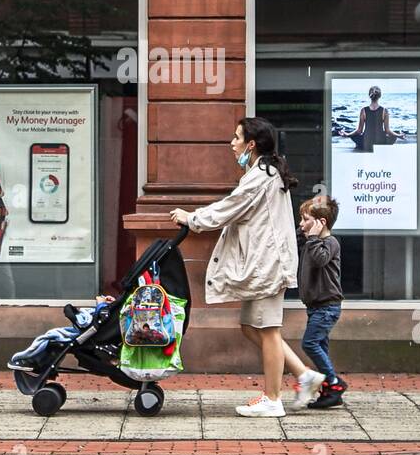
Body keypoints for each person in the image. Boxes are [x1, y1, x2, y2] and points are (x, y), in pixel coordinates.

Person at [170, 117, 322, 417]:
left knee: (266, 330)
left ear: (250, 144)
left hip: (267, 265)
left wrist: (192, 218)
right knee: (253, 327)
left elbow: (230, 207)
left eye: (236, 137)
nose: (232, 142)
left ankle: (273, 399)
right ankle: (304, 375)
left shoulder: (261, 175)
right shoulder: (263, 172)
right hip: (262, 263)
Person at [297, 196, 347, 408]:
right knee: (321, 349)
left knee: (309, 343)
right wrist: (308, 237)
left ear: (320, 223)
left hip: (327, 307)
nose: (300, 223)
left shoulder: (329, 243)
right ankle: (330, 389)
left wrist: (313, 238)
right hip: (316, 307)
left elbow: (320, 260)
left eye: (305, 219)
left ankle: (334, 383)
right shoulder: (311, 242)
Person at [340, 85, 399, 153]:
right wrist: (399, 135)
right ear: (380, 96)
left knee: (353, 134)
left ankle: (359, 146)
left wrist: (347, 134)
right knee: (396, 133)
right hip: (380, 142)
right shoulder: (385, 111)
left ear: (369, 95)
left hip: (366, 143)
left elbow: (359, 131)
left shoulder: (363, 110)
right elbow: (387, 131)